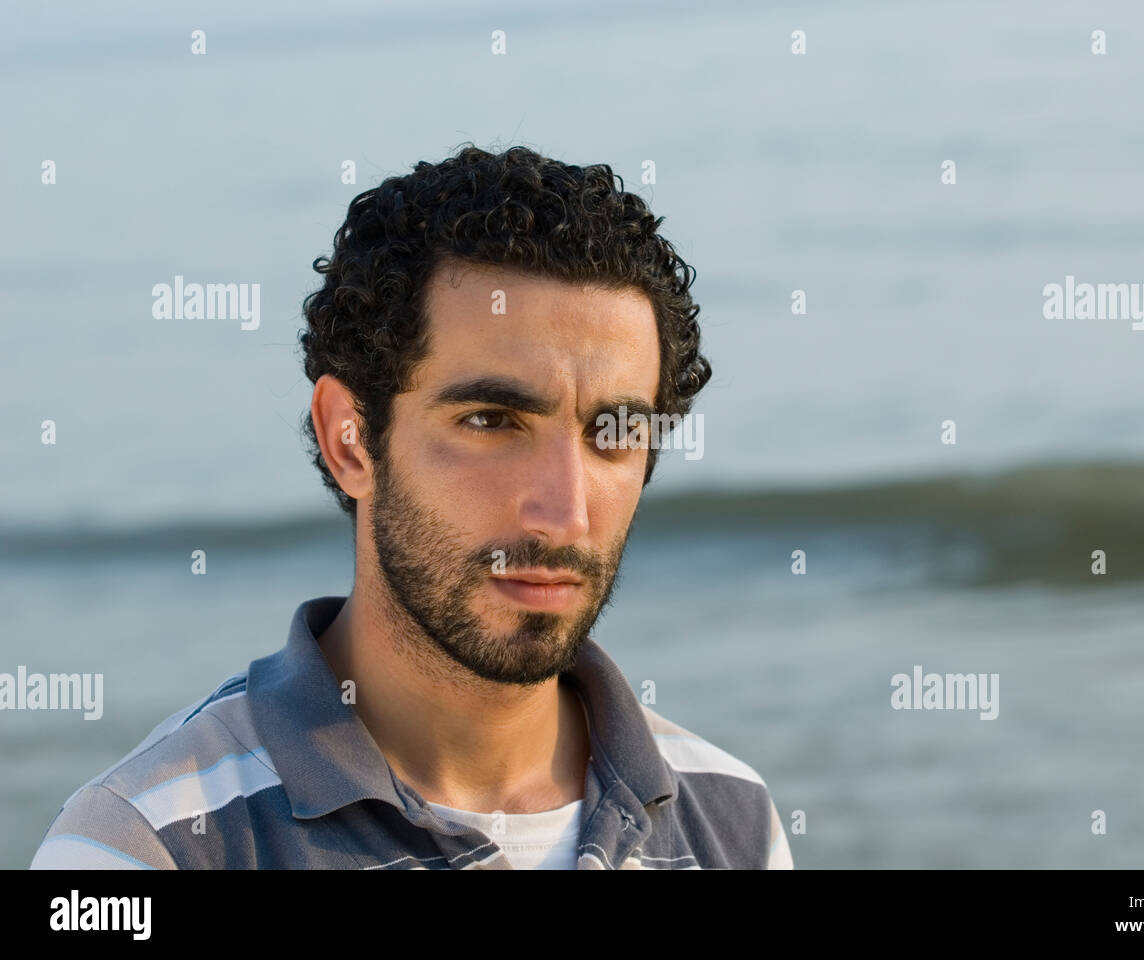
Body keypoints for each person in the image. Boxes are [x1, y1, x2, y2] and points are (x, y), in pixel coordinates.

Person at [30, 144, 793, 869]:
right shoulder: (147, 845)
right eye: (492, 422)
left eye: (612, 433)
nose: (565, 515)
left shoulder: (732, 823)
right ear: (351, 441)